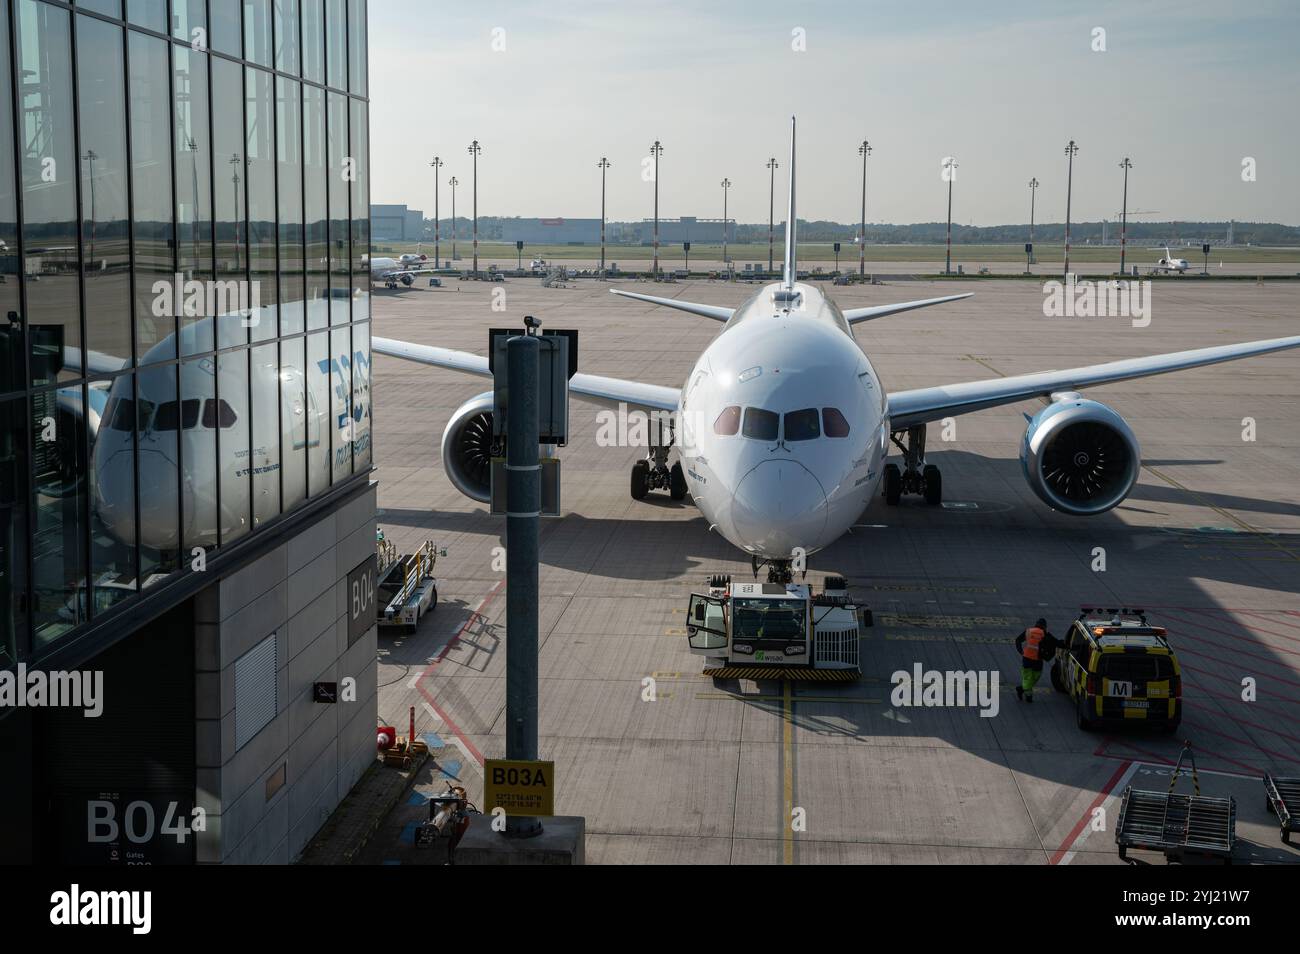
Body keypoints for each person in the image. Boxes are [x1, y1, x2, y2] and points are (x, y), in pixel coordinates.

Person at [1014, 618, 1062, 702]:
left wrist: (1020, 650)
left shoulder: (1029, 631)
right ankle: (1028, 696)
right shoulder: (1045, 634)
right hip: (1037, 660)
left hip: (1026, 658)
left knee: (1027, 677)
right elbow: (1056, 642)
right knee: (1035, 677)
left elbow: (1018, 640)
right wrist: (1068, 645)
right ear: (1044, 626)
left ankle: (1021, 689)